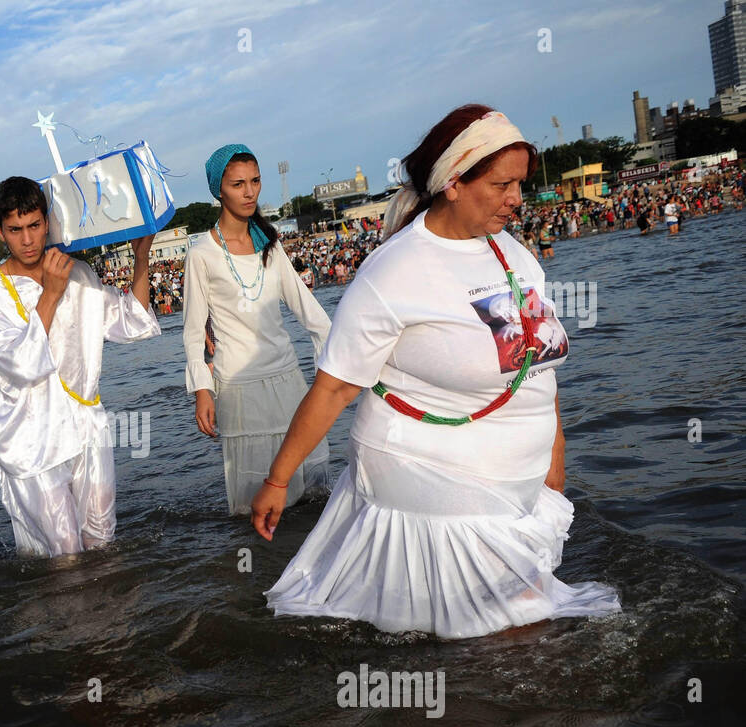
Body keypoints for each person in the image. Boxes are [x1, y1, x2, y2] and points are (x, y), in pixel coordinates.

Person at [252, 104, 620, 639]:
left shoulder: (512, 253)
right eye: (501, 185)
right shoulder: (395, 270)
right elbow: (334, 387)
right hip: (433, 476)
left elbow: (537, 363)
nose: (517, 199)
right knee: (502, 636)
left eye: (519, 183)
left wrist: (555, 451)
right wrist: (278, 480)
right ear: (453, 182)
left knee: (512, 629)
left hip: (517, 476)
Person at [0, 175, 160, 557]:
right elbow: (21, 363)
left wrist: (141, 258)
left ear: (48, 221)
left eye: (35, 226)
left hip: (86, 426)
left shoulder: (77, 272)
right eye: (15, 230)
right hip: (32, 437)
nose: (27, 240)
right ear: (0, 231)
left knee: (102, 539)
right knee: (66, 550)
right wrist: (52, 293)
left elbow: (132, 321)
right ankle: (65, 618)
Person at [182, 144, 333, 516]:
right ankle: (256, 569)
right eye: (238, 184)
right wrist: (203, 389)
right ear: (219, 189)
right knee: (254, 499)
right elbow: (190, 331)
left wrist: (342, 361)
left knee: (311, 495)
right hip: (239, 387)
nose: (249, 192)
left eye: (255, 181)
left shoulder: (269, 244)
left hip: (286, 379)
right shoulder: (201, 254)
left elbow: (309, 310)